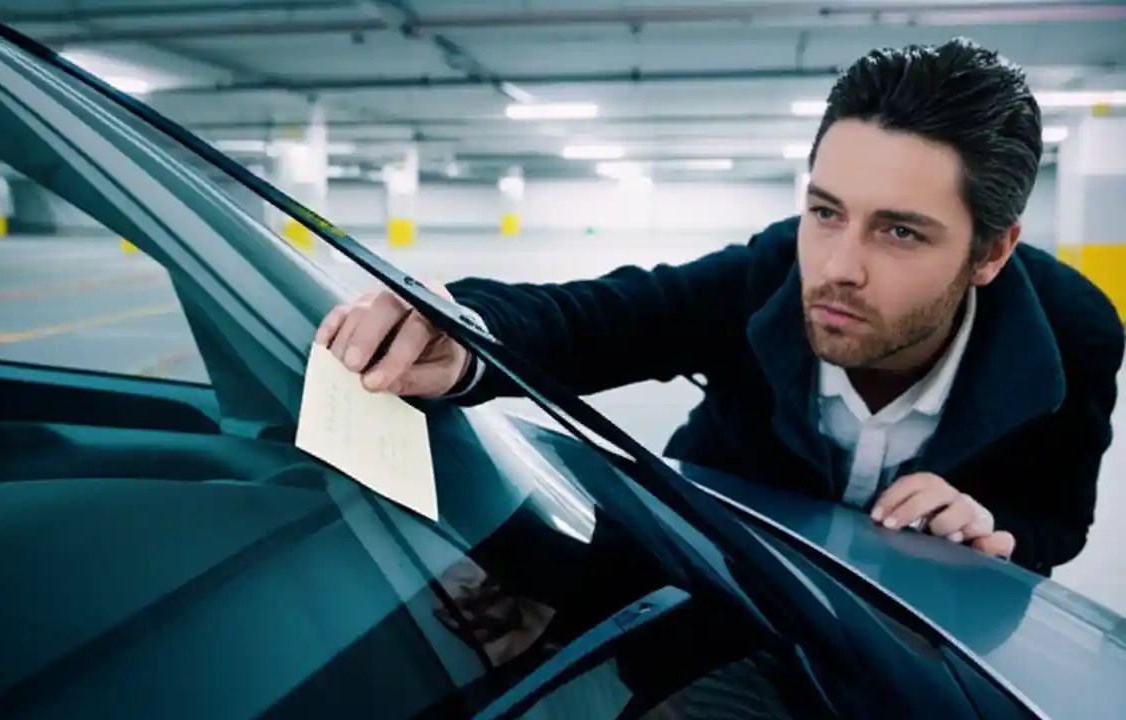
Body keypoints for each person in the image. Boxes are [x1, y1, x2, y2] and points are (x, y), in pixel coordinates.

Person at [315, 38, 1125, 577]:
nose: (837, 269)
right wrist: (459, 338)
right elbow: (597, 320)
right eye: (826, 211)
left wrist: (993, 524)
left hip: (904, 636)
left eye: (901, 232)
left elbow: (1059, 521)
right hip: (720, 583)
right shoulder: (772, 268)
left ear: (991, 252)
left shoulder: (1074, 335)